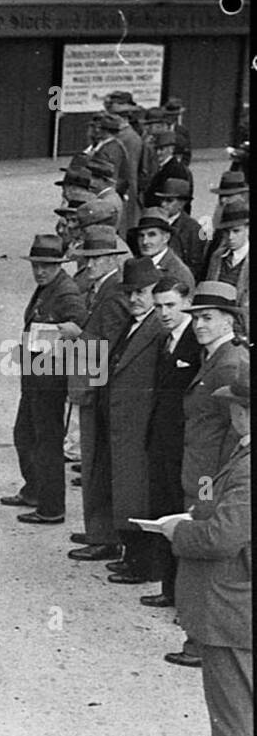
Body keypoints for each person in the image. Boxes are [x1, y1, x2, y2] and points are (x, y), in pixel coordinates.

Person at [164, 363, 252, 736]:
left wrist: (181, 531)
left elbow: (223, 537)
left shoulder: (248, 465)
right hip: (237, 602)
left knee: (233, 711)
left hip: (231, 606)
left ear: (242, 412)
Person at [166, 282, 247, 667]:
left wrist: (210, 488)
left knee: (202, 545)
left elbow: (234, 433)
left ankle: (199, 639)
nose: (199, 325)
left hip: (208, 477)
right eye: (196, 317)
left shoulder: (228, 364)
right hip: (203, 471)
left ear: (229, 320)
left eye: (207, 318)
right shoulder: (216, 356)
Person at [59, 226, 131, 562]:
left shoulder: (114, 294)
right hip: (93, 386)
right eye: (88, 258)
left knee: (98, 464)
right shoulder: (106, 289)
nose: (89, 265)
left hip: (98, 389)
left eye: (96, 258)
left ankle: (104, 535)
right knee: (93, 462)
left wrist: (77, 337)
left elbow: (110, 347)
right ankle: (98, 529)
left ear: (110, 260)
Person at [3, 235, 85, 524]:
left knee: (47, 443)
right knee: (25, 434)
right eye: (36, 265)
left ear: (59, 265)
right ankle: (34, 491)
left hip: (51, 378)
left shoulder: (65, 292)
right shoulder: (48, 287)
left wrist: (54, 335)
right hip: (36, 375)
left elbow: (79, 328)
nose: (40, 271)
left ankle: (51, 508)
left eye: (47, 266)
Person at [101, 257, 168, 584]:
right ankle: (131, 555)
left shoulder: (157, 327)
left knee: (138, 495)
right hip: (125, 422)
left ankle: (143, 565)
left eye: (142, 292)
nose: (134, 299)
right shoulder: (136, 323)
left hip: (140, 424)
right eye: (130, 293)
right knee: (127, 492)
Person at [141, 280, 204, 610]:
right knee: (165, 512)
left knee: (184, 516)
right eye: (159, 306)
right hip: (164, 443)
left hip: (185, 448)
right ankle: (169, 588)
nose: (163, 313)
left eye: (170, 305)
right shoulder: (169, 338)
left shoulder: (196, 341)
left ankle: (180, 595)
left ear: (187, 303)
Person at [128, 208, 195, 292]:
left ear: (166, 238)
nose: (145, 242)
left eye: (152, 235)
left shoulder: (179, 272)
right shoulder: (133, 264)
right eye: (141, 235)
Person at [203, 203, 249, 325]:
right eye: (226, 232)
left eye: (236, 231)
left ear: (248, 229)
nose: (230, 237)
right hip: (215, 323)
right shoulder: (217, 257)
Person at [154, 178, 206, 280]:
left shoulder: (194, 229)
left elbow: (197, 266)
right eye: (162, 199)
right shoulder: (153, 221)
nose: (163, 204)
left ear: (182, 203)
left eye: (169, 201)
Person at [140, 130, 192, 212]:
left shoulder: (176, 170)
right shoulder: (162, 168)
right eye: (156, 149)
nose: (158, 153)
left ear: (171, 149)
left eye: (161, 149)